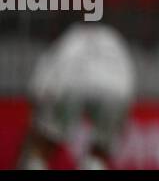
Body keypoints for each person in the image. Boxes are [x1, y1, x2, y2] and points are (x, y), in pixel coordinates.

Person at [19, 22, 136, 170]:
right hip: (117, 88)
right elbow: (129, 76)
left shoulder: (70, 36)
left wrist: (39, 120)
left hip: (70, 82)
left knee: (44, 142)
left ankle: (35, 164)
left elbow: (41, 82)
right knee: (101, 147)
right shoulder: (114, 38)